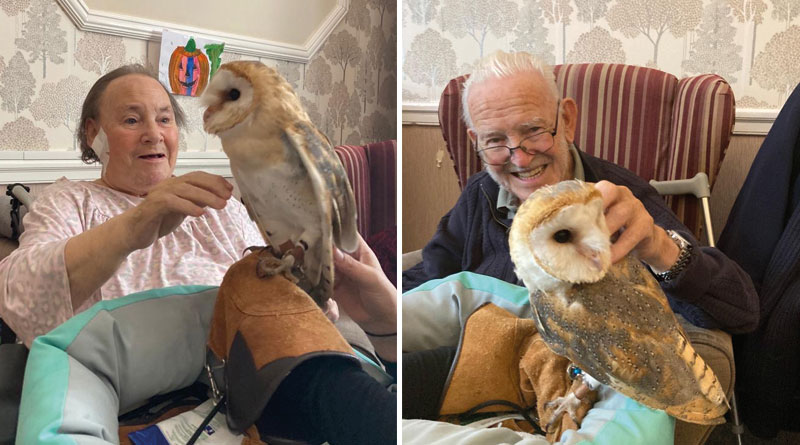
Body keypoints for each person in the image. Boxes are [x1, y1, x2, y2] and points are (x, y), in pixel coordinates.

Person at [0, 64, 396, 444]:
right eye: (132, 120)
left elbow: (278, 309)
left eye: (166, 119)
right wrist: (133, 227)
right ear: (93, 133)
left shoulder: (217, 203)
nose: (154, 134)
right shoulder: (68, 200)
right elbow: (20, 296)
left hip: (247, 386)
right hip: (132, 402)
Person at [401, 50, 759, 443]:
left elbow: (741, 309)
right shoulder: (481, 194)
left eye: (534, 130)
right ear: (476, 141)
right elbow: (427, 281)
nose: (519, 156)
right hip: (477, 373)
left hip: (586, 397)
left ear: (567, 119)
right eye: (496, 141)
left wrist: (660, 247)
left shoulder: (616, 201)